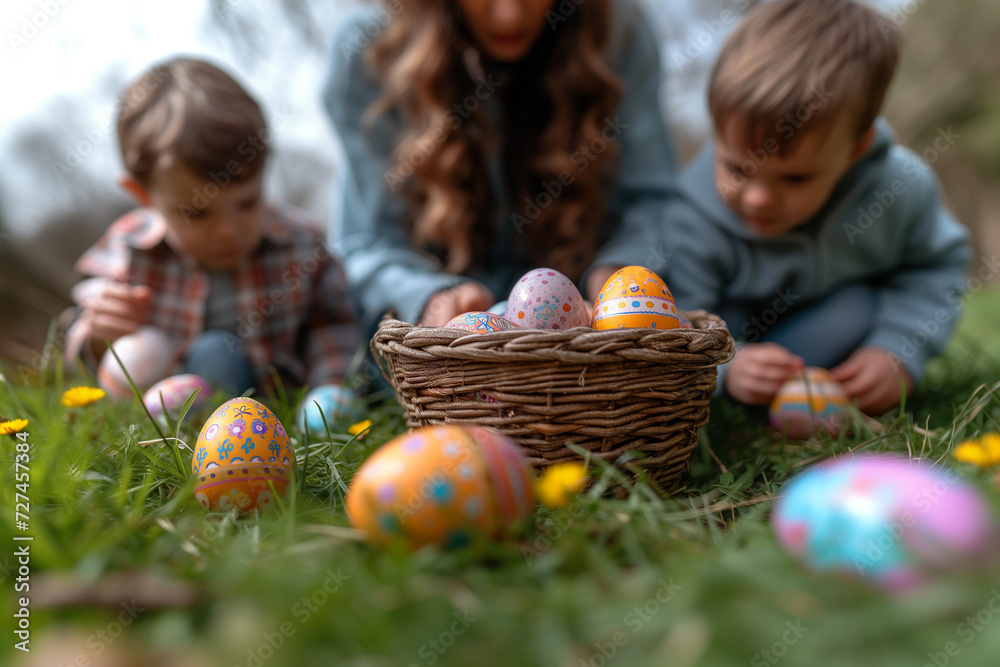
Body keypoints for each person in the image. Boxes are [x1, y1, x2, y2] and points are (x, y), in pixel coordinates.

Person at [661, 0, 970, 415]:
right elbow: (678, 321)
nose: (757, 198)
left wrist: (898, 349)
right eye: (737, 168)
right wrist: (727, 366)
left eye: (795, 178)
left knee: (857, 306)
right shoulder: (691, 216)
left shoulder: (900, 189)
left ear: (854, 151)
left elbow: (935, 269)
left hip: (838, 342)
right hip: (735, 344)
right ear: (717, 132)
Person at [323, 0, 677, 333]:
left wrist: (618, 278)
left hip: (585, 337)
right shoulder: (371, 51)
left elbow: (653, 202)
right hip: (441, 345)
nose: (509, 15)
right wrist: (429, 297)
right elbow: (365, 244)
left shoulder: (618, 35)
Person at [62, 57, 361, 424]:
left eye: (247, 203)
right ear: (142, 194)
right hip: (171, 422)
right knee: (211, 352)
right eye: (197, 212)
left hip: (277, 411)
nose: (227, 230)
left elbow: (332, 326)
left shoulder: (301, 245)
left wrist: (329, 390)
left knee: (219, 352)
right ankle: (180, 432)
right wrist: (98, 337)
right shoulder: (128, 253)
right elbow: (79, 334)